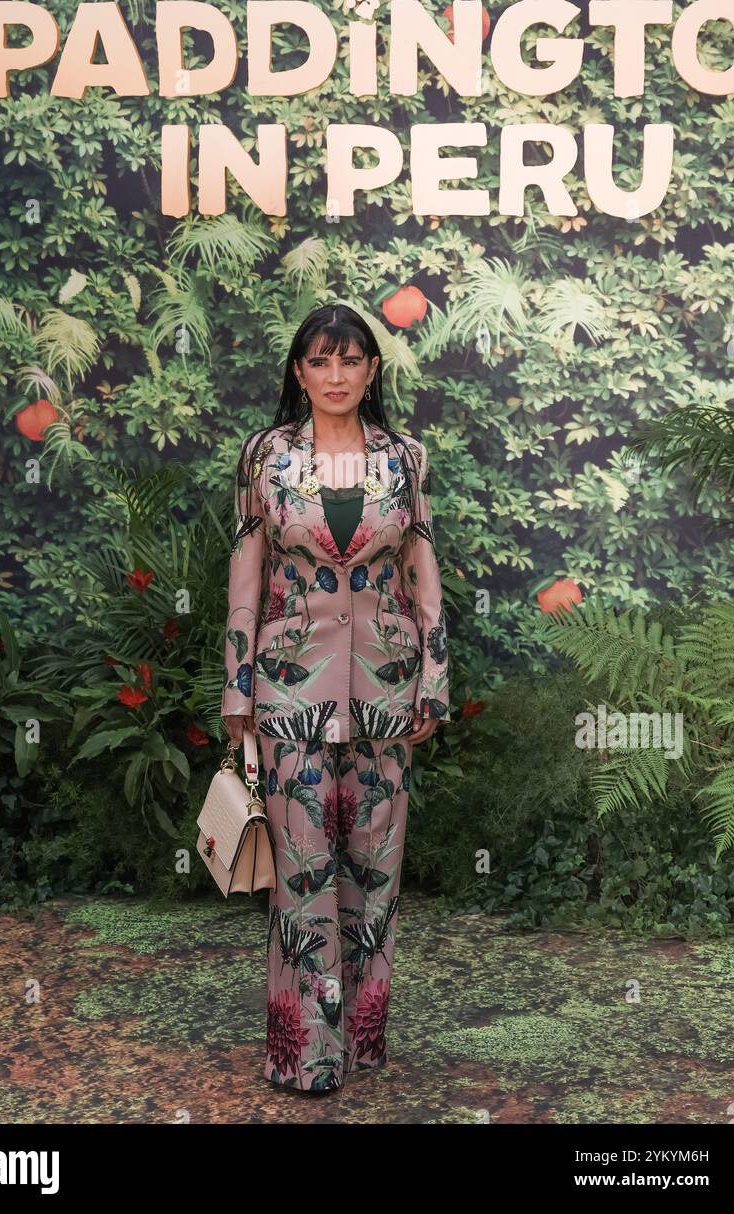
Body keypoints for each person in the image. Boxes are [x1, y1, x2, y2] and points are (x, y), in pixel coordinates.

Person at [221, 302, 451, 1093]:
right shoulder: (266, 458)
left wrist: (434, 677)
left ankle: (360, 1040)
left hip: (386, 692)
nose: (334, 376)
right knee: (305, 875)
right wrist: (237, 689)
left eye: (349, 361)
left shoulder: (404, 460)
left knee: (375, 872)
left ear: (372, 371)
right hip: (291, 691)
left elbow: (422, 572)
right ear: (298, 372)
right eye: (319, 361)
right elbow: (245, 575)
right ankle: (304, 1051)